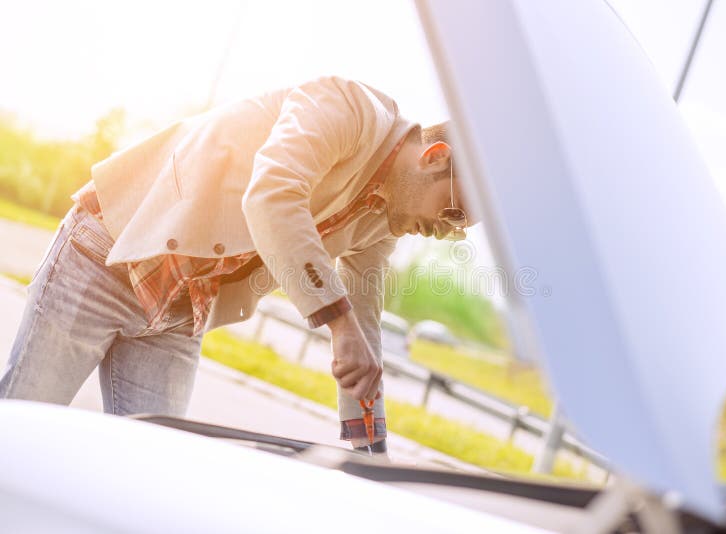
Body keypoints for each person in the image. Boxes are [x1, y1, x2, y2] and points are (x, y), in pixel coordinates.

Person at [0, 75, 474, 455]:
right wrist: (337, 318)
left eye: (458, 229)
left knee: (153, 475)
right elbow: (271, 197)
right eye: (452, 212)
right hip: (108, 255)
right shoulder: (346, 108)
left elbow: (363, 330)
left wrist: (372, 447)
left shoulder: (381, 219)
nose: (443, 231)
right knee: (22, 434)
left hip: (180, 311)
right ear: (435, 158)